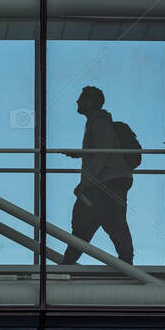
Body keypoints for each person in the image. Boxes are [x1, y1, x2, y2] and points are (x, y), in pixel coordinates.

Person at [55, 86, 135, 266]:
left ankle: (68, 265)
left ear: (89, 102)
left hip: (106, 182)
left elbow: (102, 154)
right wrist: (81, 154)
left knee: (89, 221)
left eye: (81, 98)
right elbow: (103, 151)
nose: (77, 102)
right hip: (111, 180)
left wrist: (85, 183)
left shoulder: (98, 122)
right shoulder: (98, 122)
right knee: (111, 222)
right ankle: (127, 264)